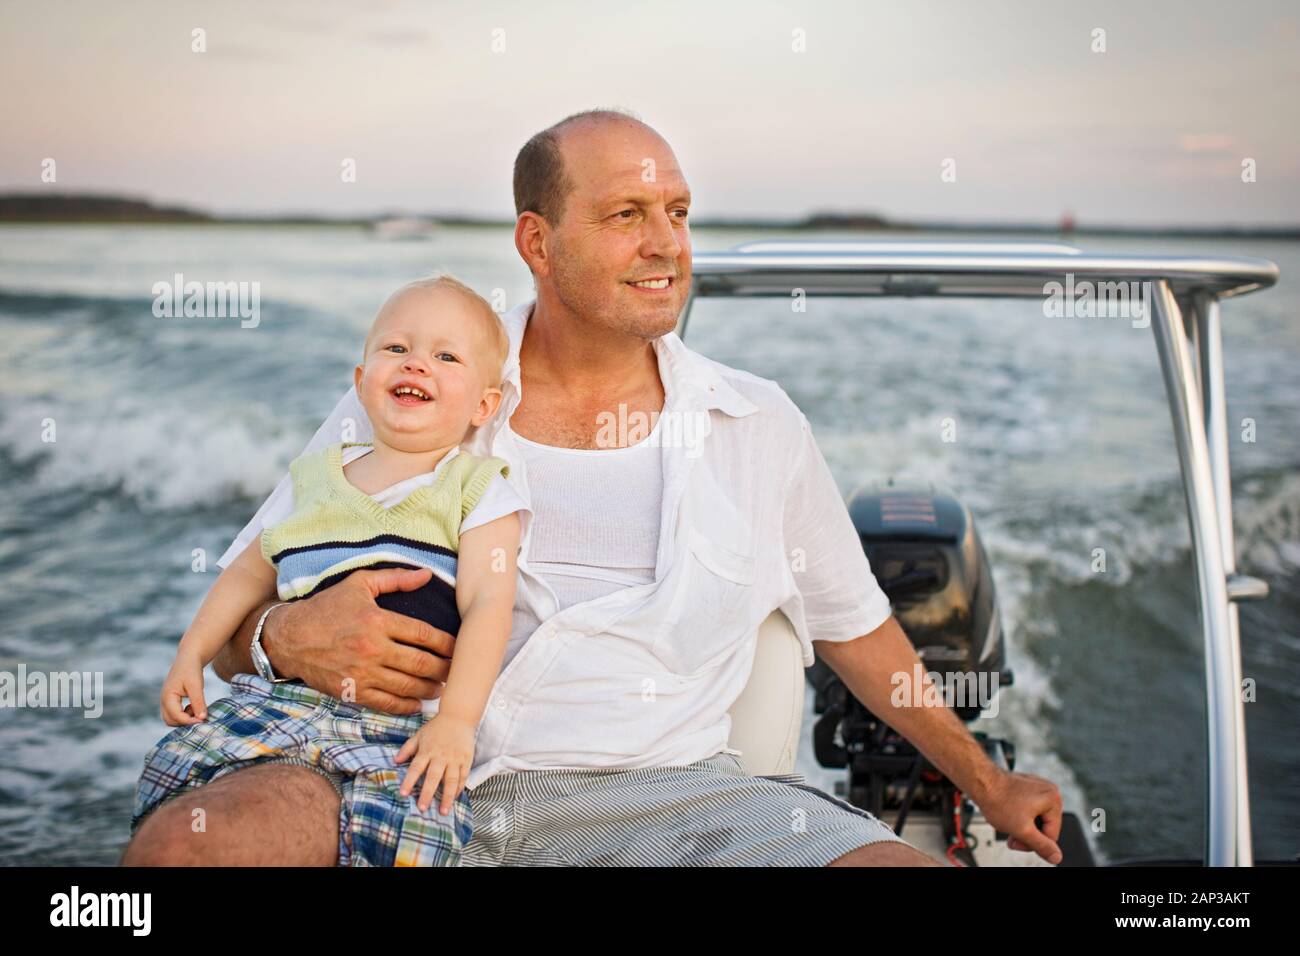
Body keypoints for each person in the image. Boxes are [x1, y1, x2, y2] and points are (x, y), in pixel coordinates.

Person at [122, 108, 1063, 867]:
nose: (668, 246)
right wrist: (278, 638)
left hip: (681, 802)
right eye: (628, 217)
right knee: (194, 851)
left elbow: (857, 630)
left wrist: (987, 782)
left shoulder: (757, 424)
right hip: (394, 771)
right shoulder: (425, 390)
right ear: (538, 240)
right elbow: (256, 600)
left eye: (679, 214)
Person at [129, 275, 526, 866]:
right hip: (272, 703)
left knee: (411, 838)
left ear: (484, 406)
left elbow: (489, 605)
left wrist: (458, 722)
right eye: (397, 348)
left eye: (446, 356)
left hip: (395, 733)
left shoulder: (473, 489)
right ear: (362, 383)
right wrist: (192, 651)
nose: (417, 364)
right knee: (178, 802)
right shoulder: (314, 477)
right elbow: (247, 573)